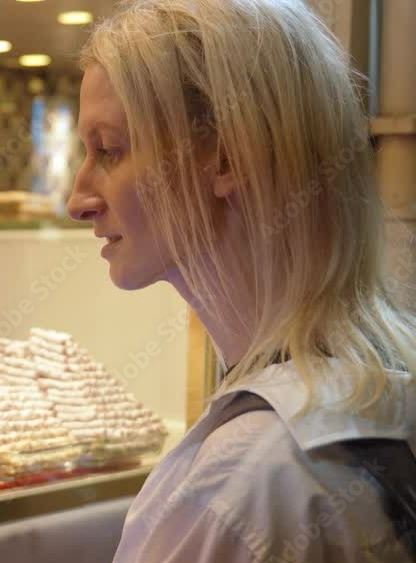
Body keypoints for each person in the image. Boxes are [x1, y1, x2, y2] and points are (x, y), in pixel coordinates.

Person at [67, 0, 416, 561]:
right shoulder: (383, 379)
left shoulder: (244, 484)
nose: (77, 200)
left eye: (110, 150)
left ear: (227, 157)